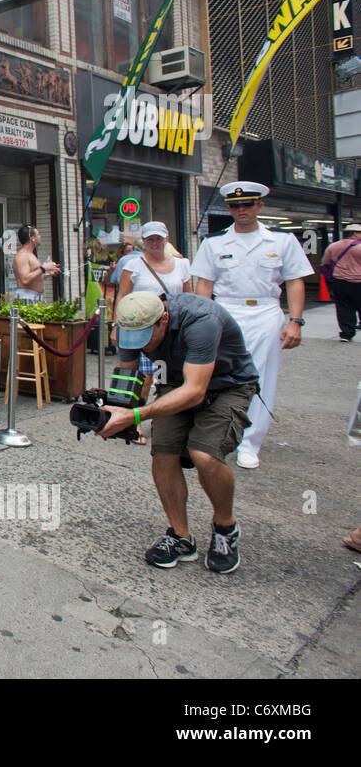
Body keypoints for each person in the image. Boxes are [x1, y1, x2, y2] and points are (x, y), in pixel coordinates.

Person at [99, 291, 260, 574]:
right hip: (174, 382)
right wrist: (112, 413)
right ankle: (180, 535)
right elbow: (128, 376)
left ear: (164, 319)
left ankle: (225, 527)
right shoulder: (130, 326)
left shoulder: (201, 321)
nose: (143, 346)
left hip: (226, 385)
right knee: (163, 453)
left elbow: (195, 392)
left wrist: (138, 415)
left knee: (204, 455)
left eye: (147, 337)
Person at [191, 181, 313, 470]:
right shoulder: (214, 242)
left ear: (260, 205)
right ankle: (216, 432)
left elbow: (295, 280)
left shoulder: (281, 241)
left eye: (247, 204)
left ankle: (250, 441)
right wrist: (201, 322)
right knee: (218, 373)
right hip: (225, 311)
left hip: (265, 311)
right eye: (235, 205)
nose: (241, 210)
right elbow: (204, 285)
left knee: (259, 376)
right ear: (228, 208)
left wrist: (295, 321)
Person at [115, 222, 193, 405]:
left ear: (166, 239)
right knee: (140, 377)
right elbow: (122, 298)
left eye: (158, 238)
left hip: (170, 329)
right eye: (150, 239)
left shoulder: (182, 264)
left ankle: (163, 418)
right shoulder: (133, 265)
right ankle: (133, 421)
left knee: (165, 376)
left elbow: (188, 297)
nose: (154, 243)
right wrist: (116, 326)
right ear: (144, 241)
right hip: (140, 326)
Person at [321, 222, 361, 342]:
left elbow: (325, 263)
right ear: (355, 234)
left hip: (339, 281)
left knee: (343, 307)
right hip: (359, 280)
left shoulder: (333, 246)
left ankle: (346, 334)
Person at [12, 225, 60, 302]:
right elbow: (25, 280)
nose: (40, 237)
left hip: (35, 297)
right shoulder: (22, 256)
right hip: (26, 297)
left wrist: (49, 273)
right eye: (38, 234)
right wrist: (43, 268)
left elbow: (33, 278)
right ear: (32, 238)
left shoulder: (30, 255)